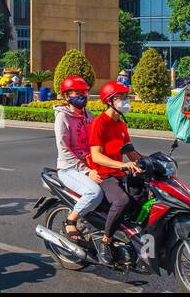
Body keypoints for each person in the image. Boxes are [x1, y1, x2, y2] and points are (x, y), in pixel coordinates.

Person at [87, 80, 144, 266]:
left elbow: (131, 152)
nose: (126, 101)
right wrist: (123, 166)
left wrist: (151, 162)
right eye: (122, 98)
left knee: (143, 193)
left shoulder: (121, 124)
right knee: (122, 201)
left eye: (126, 97)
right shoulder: (99, 123)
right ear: (110, 101)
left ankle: (131, 233)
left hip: (119, 173)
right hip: (103, 175)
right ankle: (106, 240)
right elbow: (96, 156)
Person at [53, 76, 102, 249]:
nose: (82, 96)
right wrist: (86, 171)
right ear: (67, 96)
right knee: (94, 193)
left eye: (85, 92)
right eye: (77, 93)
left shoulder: (89, 115)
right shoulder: (63, 117)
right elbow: (64, 149)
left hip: (91, 165)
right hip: (69, 169)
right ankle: (70, 220)